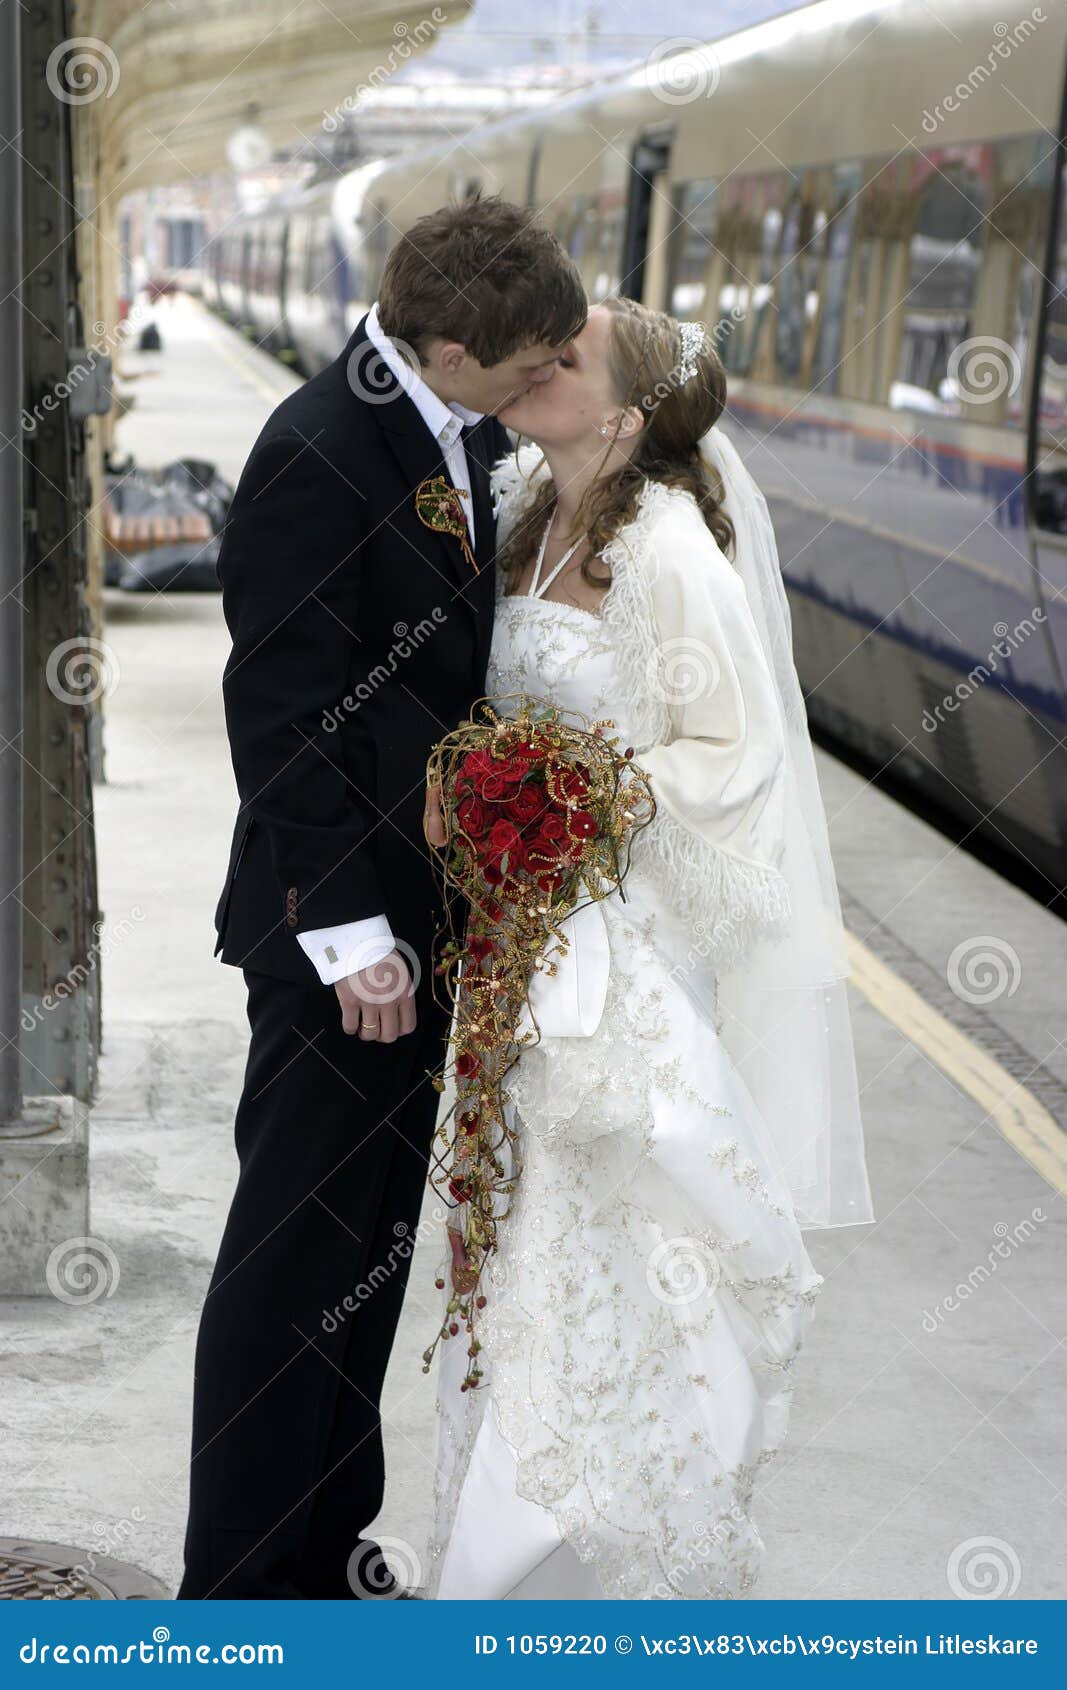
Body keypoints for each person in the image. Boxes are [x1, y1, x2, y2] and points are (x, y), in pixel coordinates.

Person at [423, 295, 875, 1601]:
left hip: (616, 963)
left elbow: (736, 763)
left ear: (626, 412)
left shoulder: (672, 550)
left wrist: (575, 789)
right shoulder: (528, 508)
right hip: (520, 952)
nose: (536, 361)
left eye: (569, 357)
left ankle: (594, 1567)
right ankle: (513, 1556)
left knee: (616, 1244)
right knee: (521, 1250)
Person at [177, 197, 586, 1600]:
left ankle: (319, 1545)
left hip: (419, 928)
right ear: (455, 345)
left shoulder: (445, 428)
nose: (540, 392)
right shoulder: (316, 446)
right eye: (526, 368)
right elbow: (282, 715)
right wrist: (349, 933)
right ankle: (236, 1588)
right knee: (292, 1264)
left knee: (367, 1255)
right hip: (335, 941)